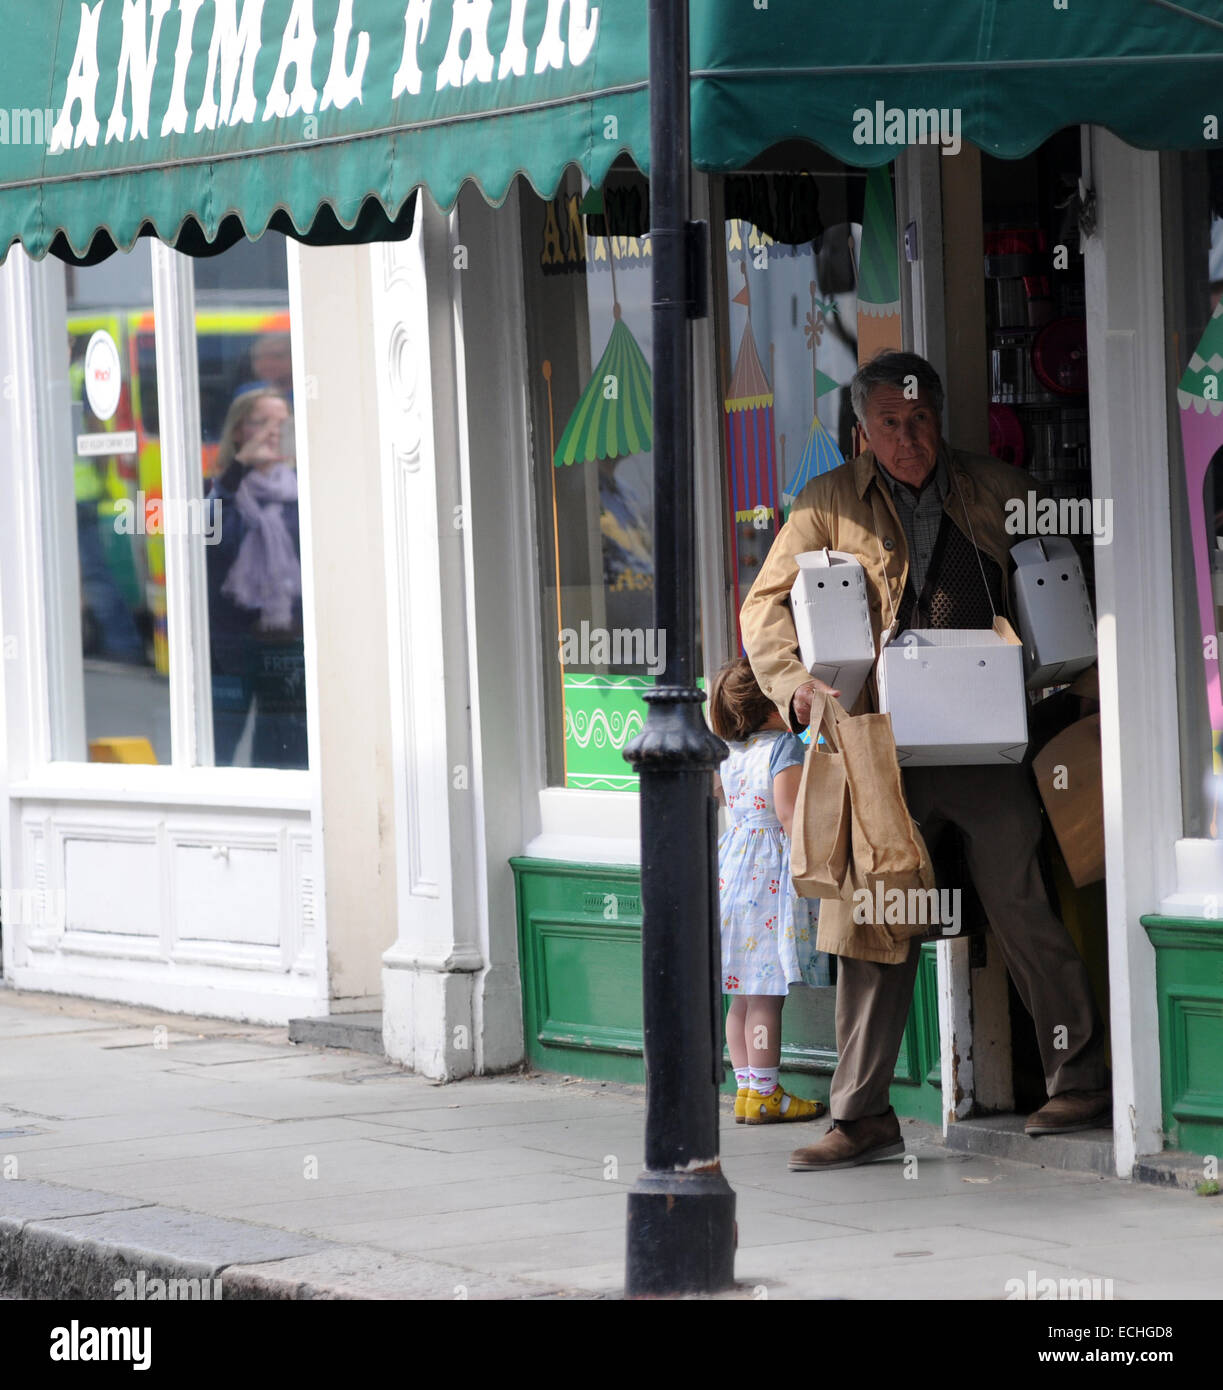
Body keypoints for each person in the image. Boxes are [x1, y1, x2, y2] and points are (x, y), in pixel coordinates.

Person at [740, 349, 1111, 1170]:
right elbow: (763, 605)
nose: (907, 439)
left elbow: (1060, 579)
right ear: (861, 433)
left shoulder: (1000, 488)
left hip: (982, 737)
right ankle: (863, 1113)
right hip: (876, 744)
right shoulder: (825, 502)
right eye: (888, 425)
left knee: (1018, 902)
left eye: (918, 421)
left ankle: (1077, 1076)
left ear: (935, 420)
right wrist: (795, 684)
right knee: (878, 919)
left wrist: (1079, 679)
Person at [710, 656, 833, 1125]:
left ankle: (746, 1090)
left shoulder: (730, 751)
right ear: (771, 701)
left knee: (741, 994)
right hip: (769, 871)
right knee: (765, 994)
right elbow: (787, 812)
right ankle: (765, 1093)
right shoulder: (783, 746)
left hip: (734, 867)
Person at [205, 389, 307, 769]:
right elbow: (210, 539)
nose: (272, 432)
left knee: (284, 759)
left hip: (286, 647)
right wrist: (238, 471)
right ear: (237, 431)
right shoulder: (217, 490)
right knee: (218, 753)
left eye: (282, 423)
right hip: (230, 646)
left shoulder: (305, 489)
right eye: (260, 422)